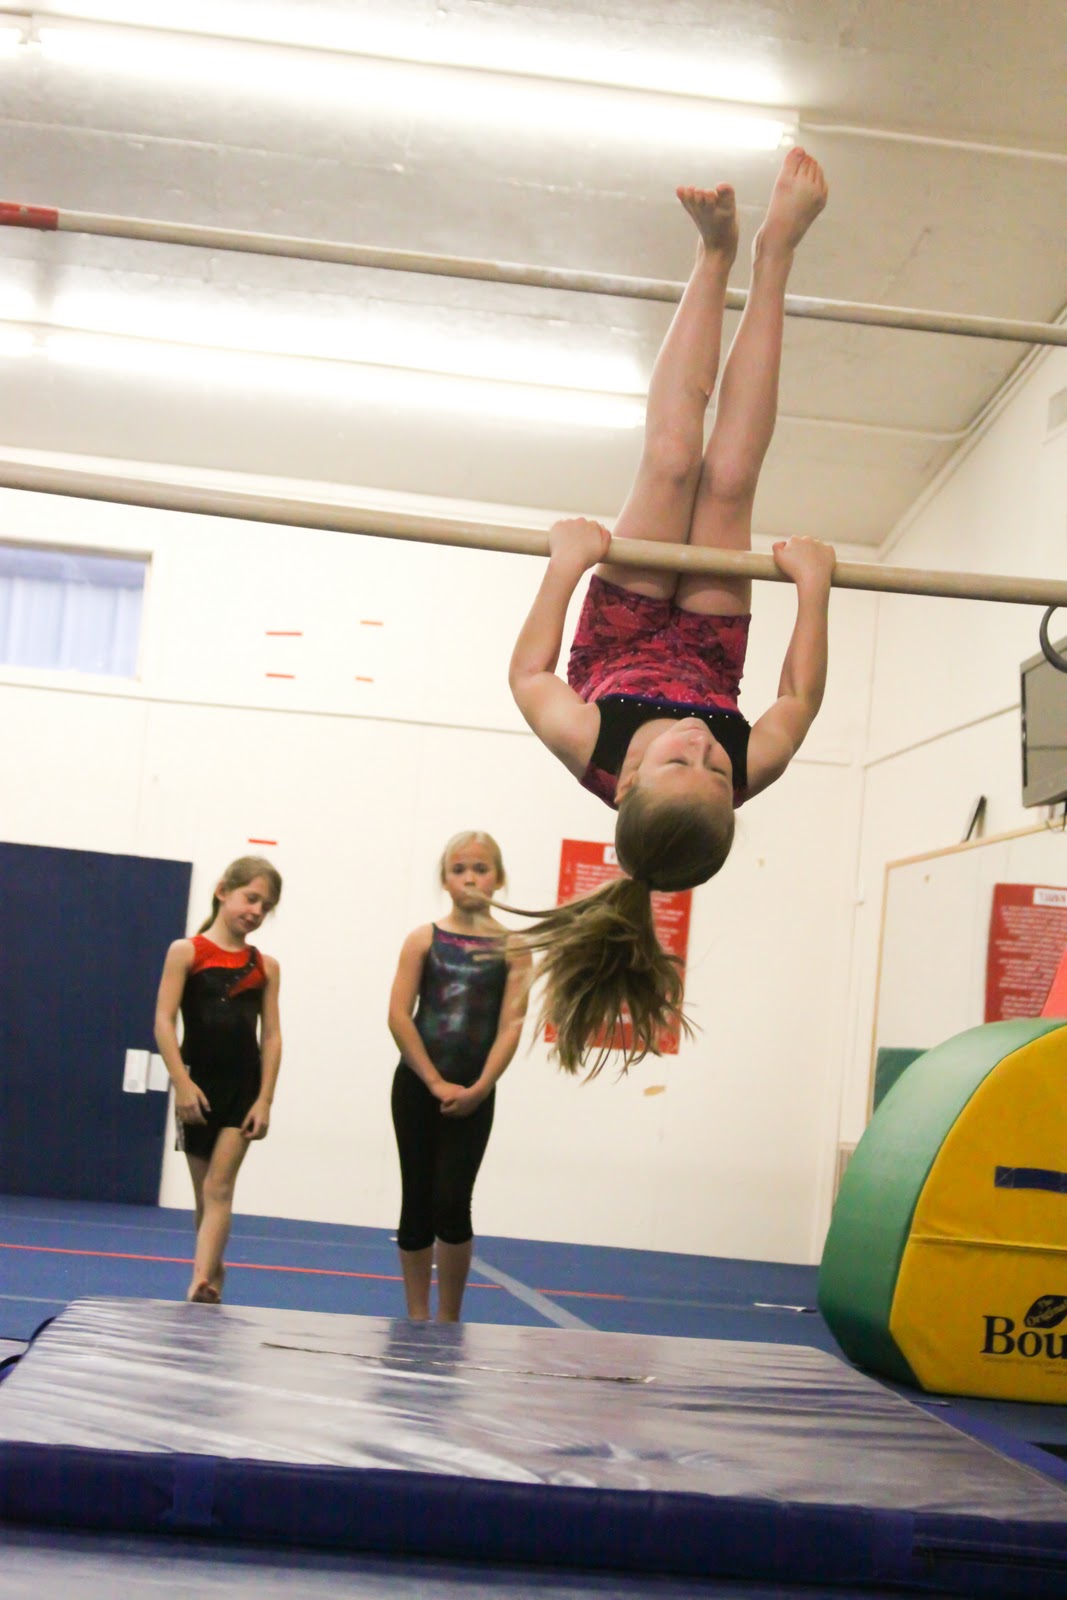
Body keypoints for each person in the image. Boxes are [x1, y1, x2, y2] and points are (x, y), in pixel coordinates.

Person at [508, 148, 835, 1075]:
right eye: (714, 766)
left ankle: (711, 256)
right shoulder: (747, 767)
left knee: (670, 462)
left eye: (676, 761)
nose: (698, 743)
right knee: (729, 477)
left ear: (626, 782)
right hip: (707, 641)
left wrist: (566, 567)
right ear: (735, 792)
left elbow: (528, 673)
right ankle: (774, 254)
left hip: (621, 627)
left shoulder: (588, 743)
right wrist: (811, 591)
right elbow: (796, 700)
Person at [388, 831, 529, 1322]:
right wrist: (432, 1081)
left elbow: (511, 1024)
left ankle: (448, 1317)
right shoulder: (423, 939)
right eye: (459, 869)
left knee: (452, 1201)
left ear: (499, 878)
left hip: (475, 1090)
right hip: (417, 1085)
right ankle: (416, 1316)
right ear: (445, 880)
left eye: (481, 869)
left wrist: (481, 1087)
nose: (470, 878)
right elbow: (399, 1016)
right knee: (416, 1199)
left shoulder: (514, 947)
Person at [154, 856, 282, 1303]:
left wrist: (265, 1099)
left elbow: (272, 1036)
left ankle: (199, 1282)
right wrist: (181, 1083)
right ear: (223, 890)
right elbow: (164, 1021)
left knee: (219, 1187)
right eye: (251, 898)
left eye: (266, 906)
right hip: (198, 1085)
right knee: (205, 1197)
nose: (256, 911)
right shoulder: (187, 952)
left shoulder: (265, 966)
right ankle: (214, 1272)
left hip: (243, 1088)